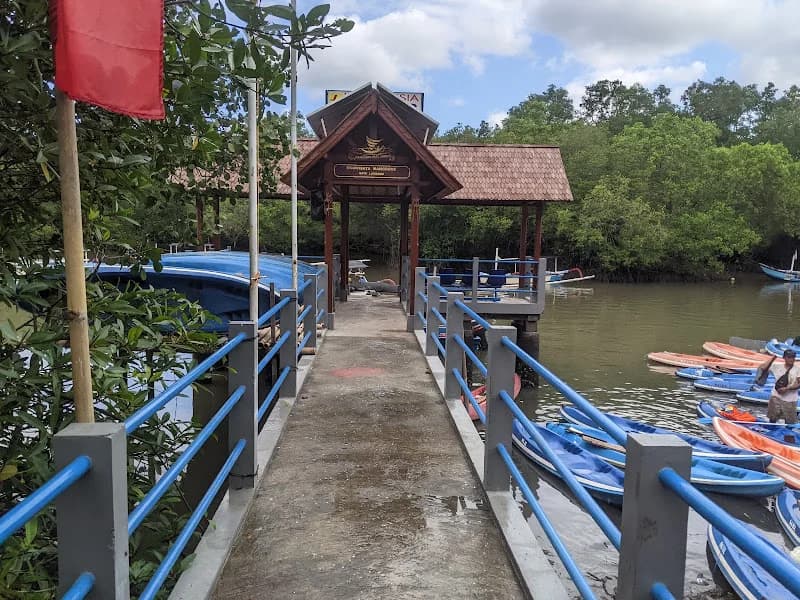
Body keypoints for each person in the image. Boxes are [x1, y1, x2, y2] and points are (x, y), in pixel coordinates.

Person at [763, 349, 800, 425]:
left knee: (790, 422)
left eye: (793, 357)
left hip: (790, 400)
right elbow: (764, 368)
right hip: (776, 397)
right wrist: (774, 357)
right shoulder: (777, 366)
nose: (791, 359)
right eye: (789, 357)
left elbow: (798, 384)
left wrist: (787, 388)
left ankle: (788, 435)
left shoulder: (798, 369)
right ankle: (771, 431)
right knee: (772, 418)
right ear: (784, 357)